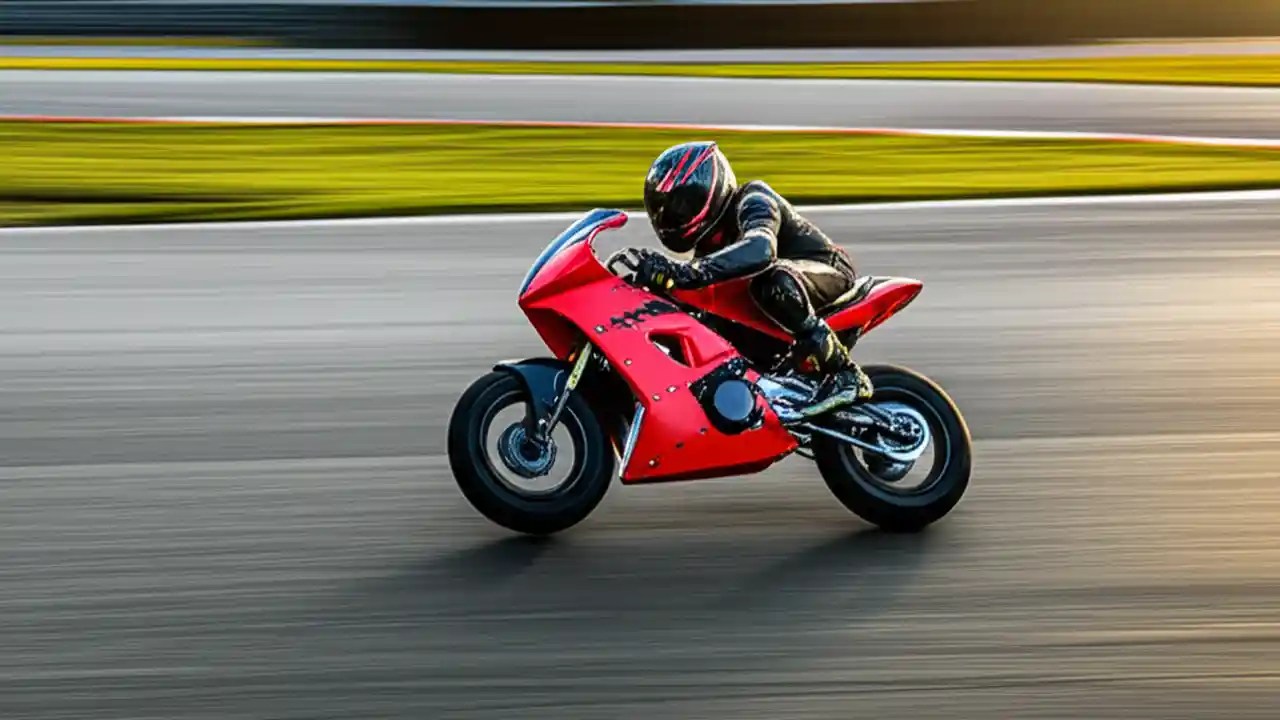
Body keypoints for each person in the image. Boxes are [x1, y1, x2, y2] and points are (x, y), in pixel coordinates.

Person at [632, 140, 873, 413]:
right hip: (777, 300)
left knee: (773, 282)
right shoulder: (708, 247)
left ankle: (845, 374)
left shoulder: (753, 198)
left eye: (682, 204)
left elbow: (761, 249)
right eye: (662, 209)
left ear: (709, 187)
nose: (672, 216)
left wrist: (686, 272)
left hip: (826, 272)